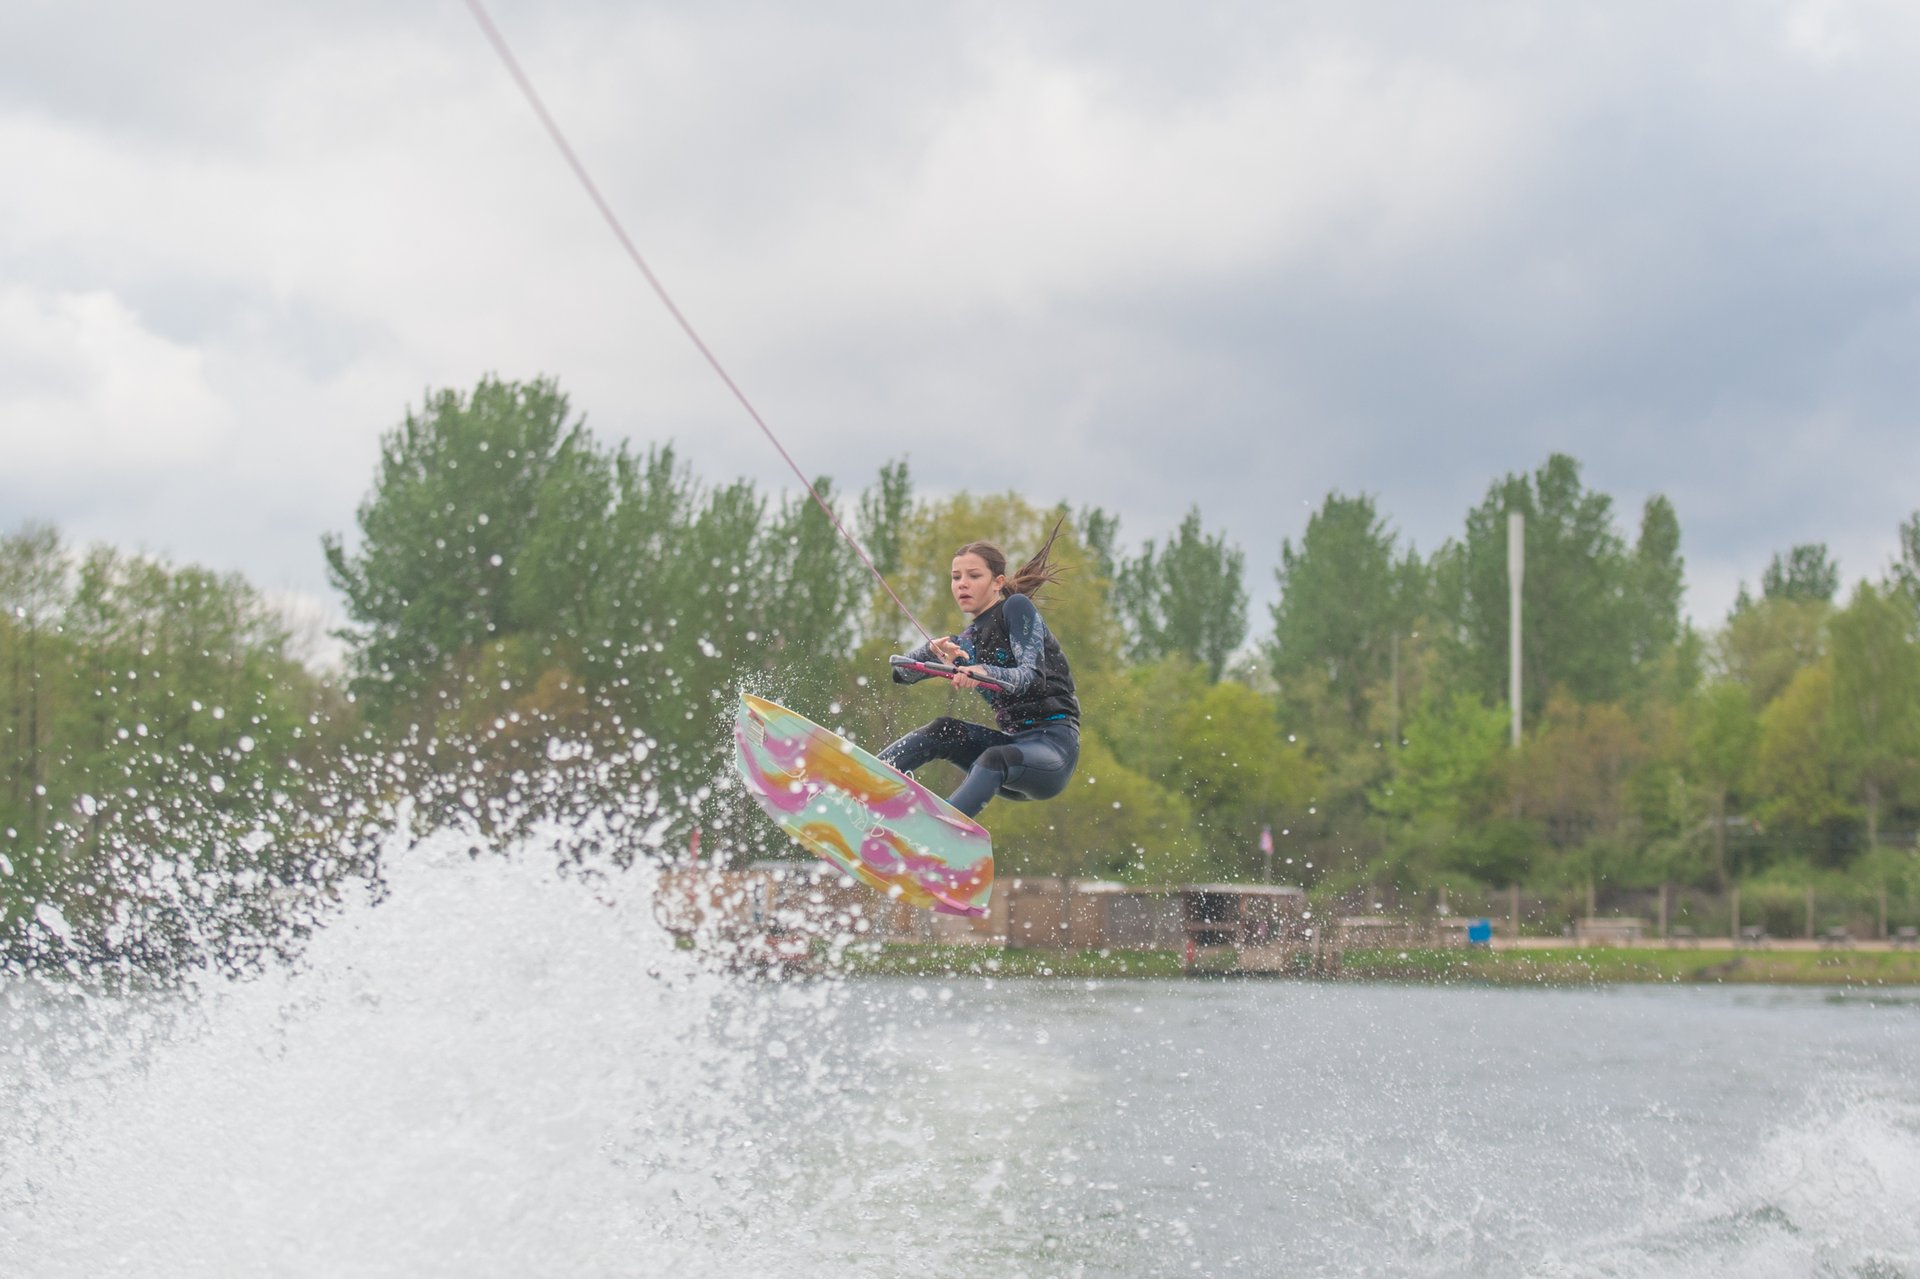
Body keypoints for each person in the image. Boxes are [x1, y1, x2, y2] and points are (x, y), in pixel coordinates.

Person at [881, 521, 1080, 819]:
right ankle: (866, 784)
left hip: (1051, 750)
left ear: (997, 582)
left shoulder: (1016, 607)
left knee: (994, 757)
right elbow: (901, 675)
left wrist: (981, 672)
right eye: (955, 577)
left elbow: (1032, 678)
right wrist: (931, 651)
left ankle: (941, 834)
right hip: (1010, 750)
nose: (962, 583)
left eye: (973, 576)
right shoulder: (966, 643)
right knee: (943, 729)